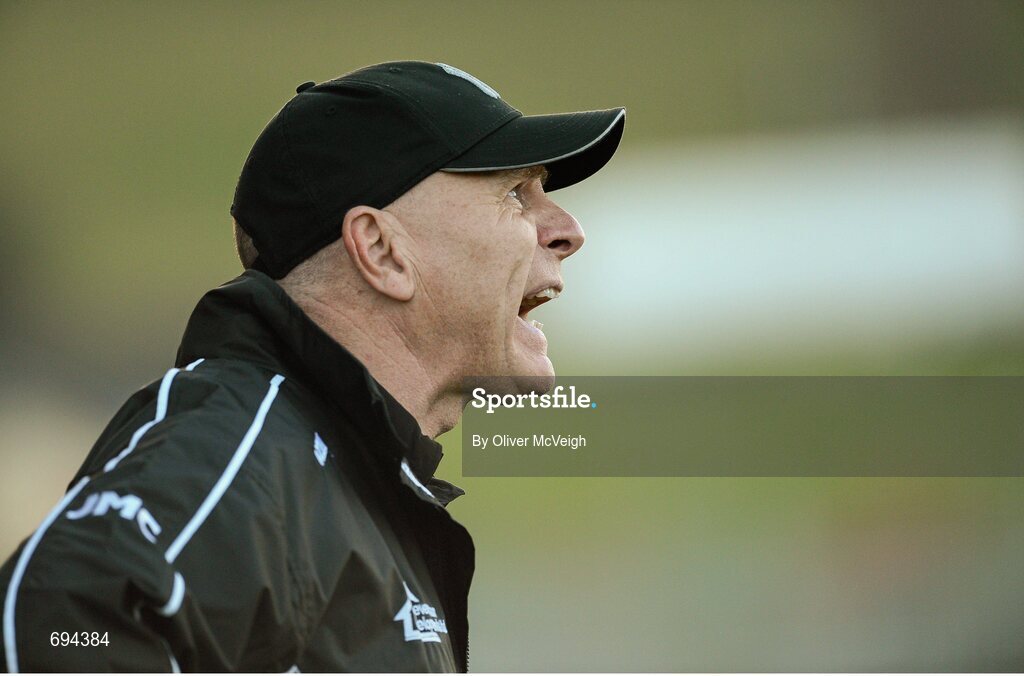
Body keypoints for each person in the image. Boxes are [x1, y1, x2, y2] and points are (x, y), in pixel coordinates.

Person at [0, 61, 624, 672]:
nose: (567, 230)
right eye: (515, 194)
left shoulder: (338, 469)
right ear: (382, 252)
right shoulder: (242, 447)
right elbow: (55, 627)